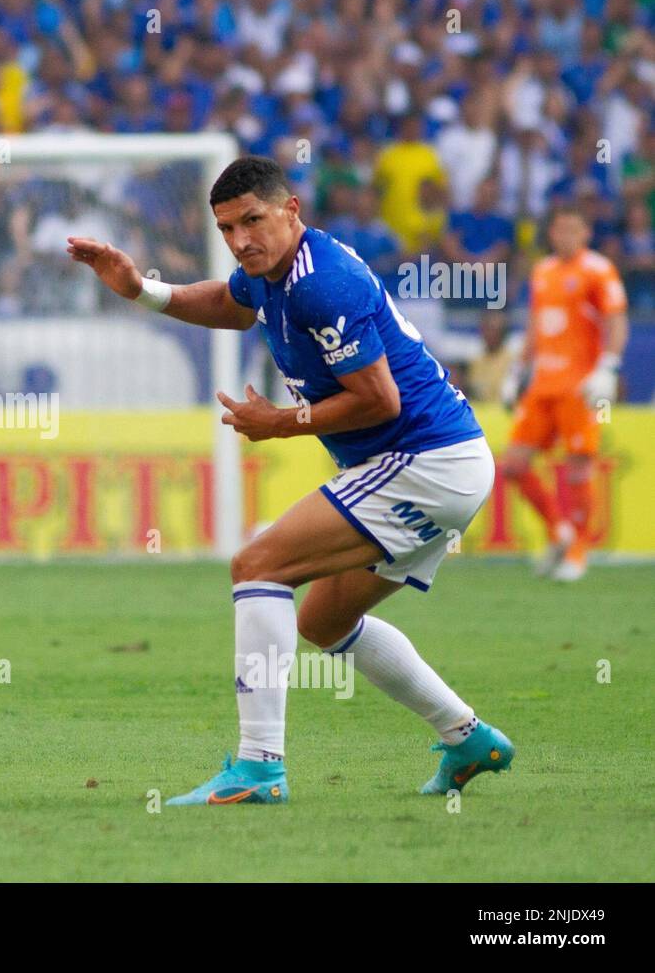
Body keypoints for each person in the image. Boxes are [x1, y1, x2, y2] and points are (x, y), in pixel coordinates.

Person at [67, 156, 513, 806]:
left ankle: (258, 769)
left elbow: (380, 401)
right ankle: (468, 736)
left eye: (253, 220)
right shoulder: (272, 274)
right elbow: (231, 302)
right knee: (326, 622)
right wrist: (144, 291)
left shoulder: (320, 285)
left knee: (258, 565)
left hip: (425, 460)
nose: (241, 239)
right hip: (446, 464)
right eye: (227, 228)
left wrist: (280, 422)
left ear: (291, 210)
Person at [499, 207, 629, 581]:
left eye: (573, 228)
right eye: (559, 229)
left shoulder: (598, 269)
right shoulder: (542, 271)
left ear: (586, 232)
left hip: (580, 385)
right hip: (543, 384)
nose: (565, 236)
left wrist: (609, 365)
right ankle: (559, 531)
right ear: (551, 234)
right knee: (514, 466)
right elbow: (536, 325)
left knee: (577, 466)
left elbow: (616, 319)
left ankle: (578, 551)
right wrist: (518, 370)